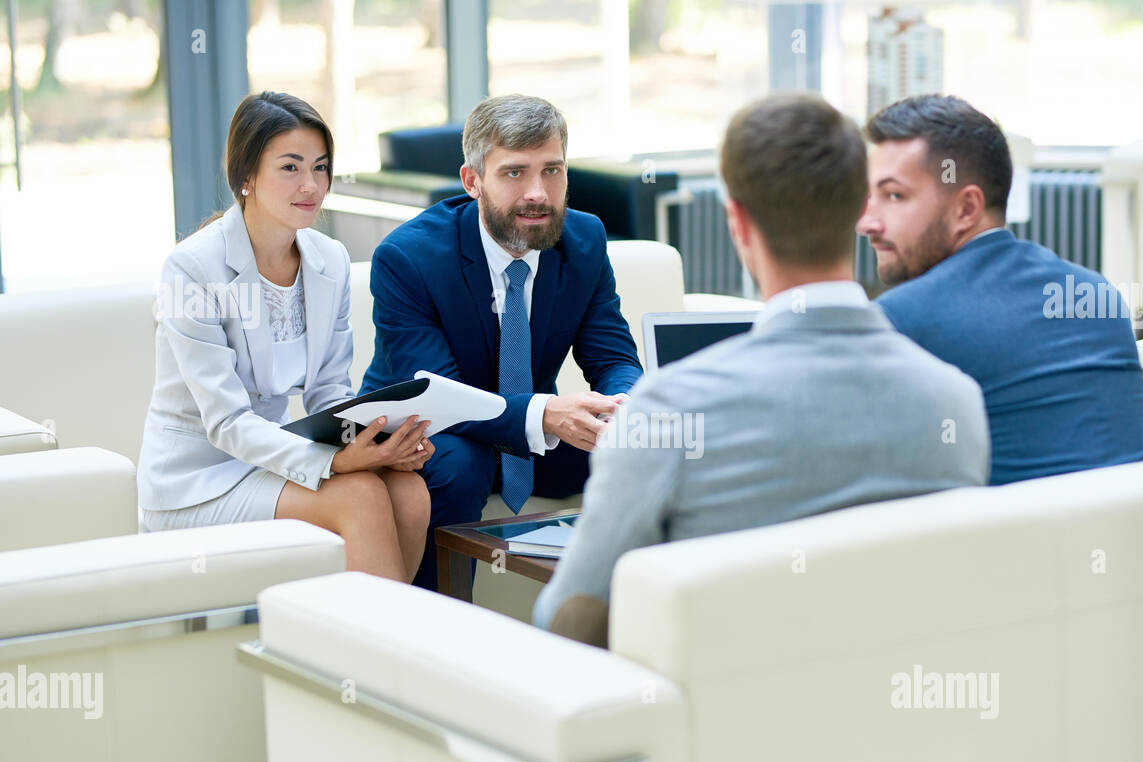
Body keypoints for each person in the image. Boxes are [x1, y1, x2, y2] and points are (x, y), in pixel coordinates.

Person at [533, 92, 991, 643]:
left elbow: (569, 621)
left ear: (738, 224)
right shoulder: (956, 402)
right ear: (860, 212)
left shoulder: (667, 412)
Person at [137, 91, 434, 583]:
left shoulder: (330, 259)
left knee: (408, 491)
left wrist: (376, 443)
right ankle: (385, 648)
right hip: (198, 479)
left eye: (320, 168)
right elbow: (228, 422)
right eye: (290, 167)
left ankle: (357, 639)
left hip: (270, 462)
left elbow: (330, 394)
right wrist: (335, 462)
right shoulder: (190, 268)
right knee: (359, 495)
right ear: (246, 176)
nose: (311, 185)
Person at [361, 93, 643, 592]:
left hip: (525, 434)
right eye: (515, 173)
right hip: (432, 430)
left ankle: (617, 618)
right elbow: (436, 393)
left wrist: (622, 406)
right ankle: (440, 633)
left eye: (552, 170)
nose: (538, 192)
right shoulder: (407, 258)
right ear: (472, 181)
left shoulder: (585, 239)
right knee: (459, 468)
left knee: (642, 445)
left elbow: (614, 355)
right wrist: (544, 414)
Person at [859, 94, 1143, 486]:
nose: (868, 223)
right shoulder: (1094, 293)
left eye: (895, 196)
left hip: (1024, 545)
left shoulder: (901, 319)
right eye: (869, 197)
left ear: (966, 209)